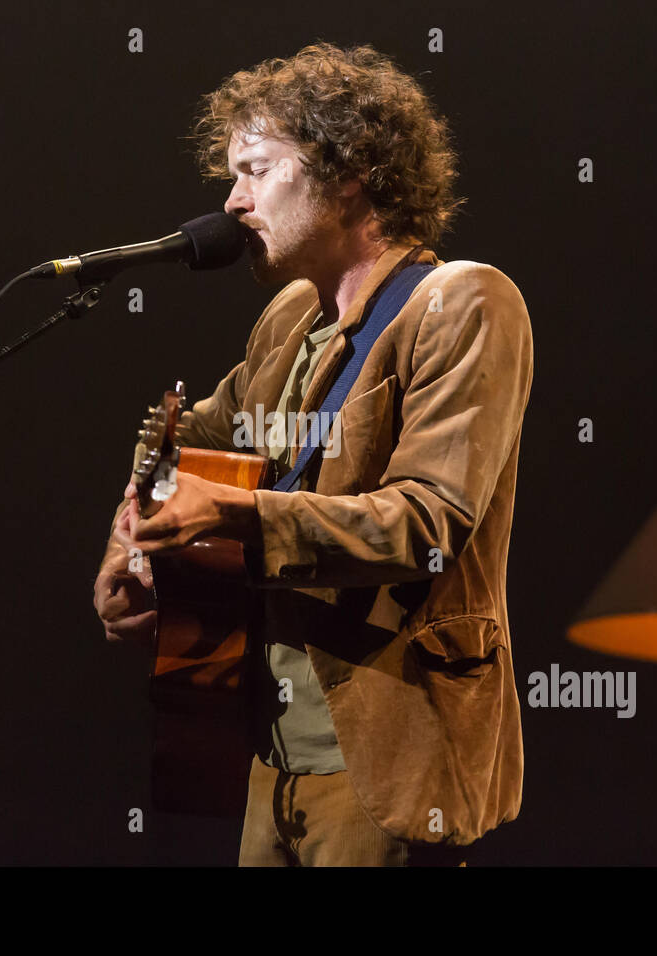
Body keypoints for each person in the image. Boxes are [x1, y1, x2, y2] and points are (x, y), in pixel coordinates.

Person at [92, 42, 534, 866]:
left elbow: (428, 525)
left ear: (349, 171)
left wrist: (230, 512)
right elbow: (185, 441)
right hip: (268, 761)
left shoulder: (465, 302)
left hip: (386, 765)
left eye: (256, 169)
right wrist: (133, 543)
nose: (232, 201)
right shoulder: (290, 316)